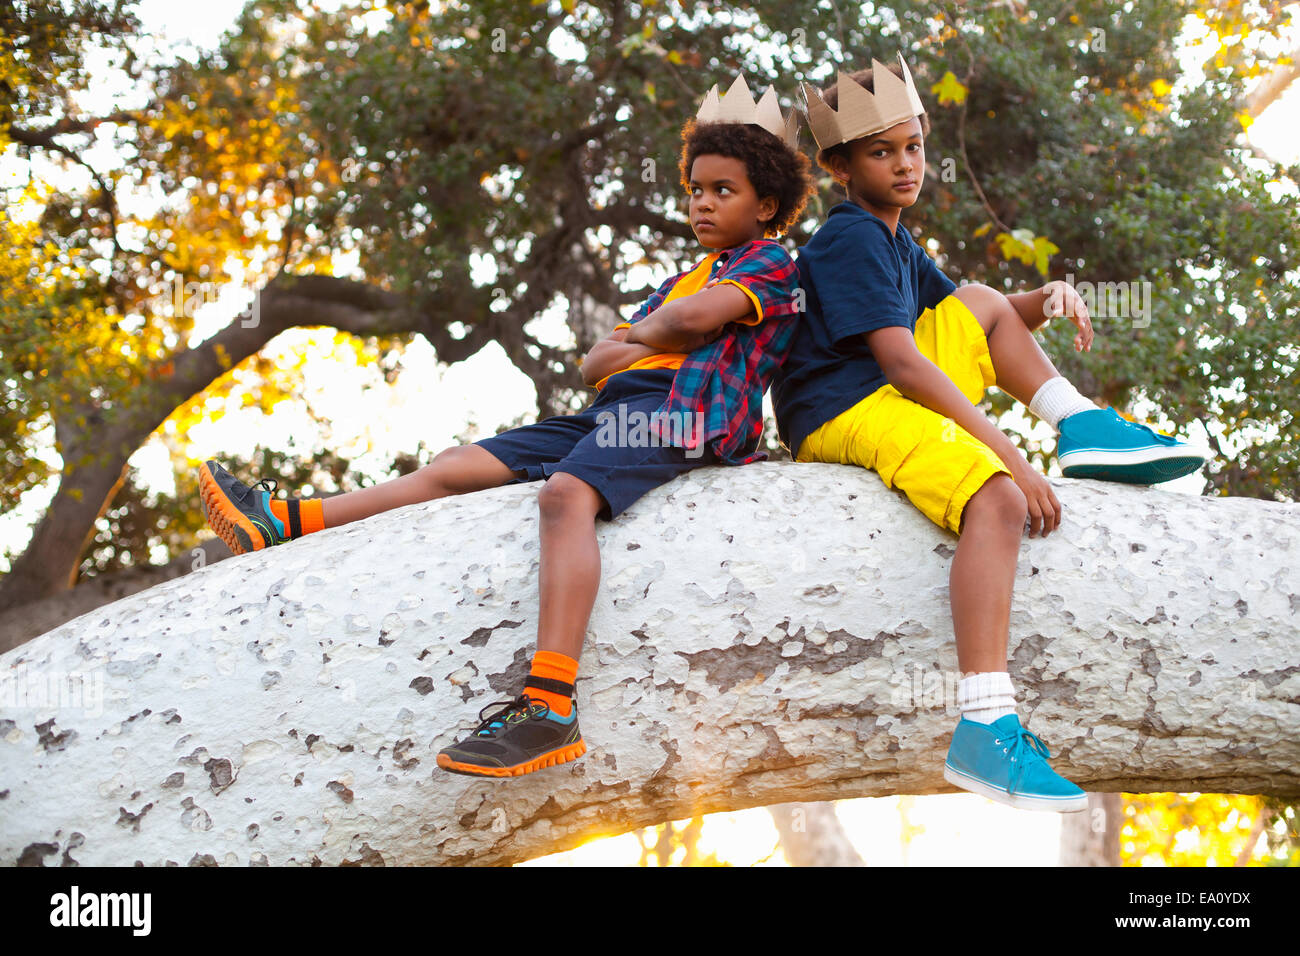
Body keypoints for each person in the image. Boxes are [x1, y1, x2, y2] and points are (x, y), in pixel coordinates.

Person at [199, 75, 815, 778]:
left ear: (766, 203)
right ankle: (288, 520)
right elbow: (597, 359)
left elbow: (692, 323)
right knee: (458, 464)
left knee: (564, 498)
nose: (702, 202)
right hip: (613, 408)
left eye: (723, 191)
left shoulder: (771, 262)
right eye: (696, 188)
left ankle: (550, 707)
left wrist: (660, 331)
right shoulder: (683, 276)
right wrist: (662, 326)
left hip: (683, 412)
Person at [772, 55, 1207, 811]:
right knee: (1000, 502)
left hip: (875, 382)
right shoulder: (849, 237)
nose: (905, 164)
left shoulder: (896, 240)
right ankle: (984, 725)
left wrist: (1043, 298)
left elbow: (970, 316)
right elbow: (903, 364)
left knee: (978, 297)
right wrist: (1006, 454)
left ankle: (1081, 426)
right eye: (882, 152)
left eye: (913, 146)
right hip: (840, 405)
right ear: (840, 165)